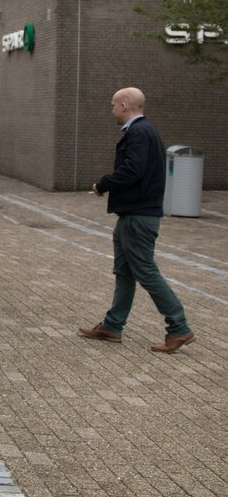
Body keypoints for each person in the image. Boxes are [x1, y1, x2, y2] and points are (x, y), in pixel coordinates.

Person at [78, 87, 195, 354]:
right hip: (133, 214)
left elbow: (133, 170)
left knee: (146, 272)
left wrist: (103, 183)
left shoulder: (140, 132)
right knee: (125, 272)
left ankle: (179, 327)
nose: (111, 110)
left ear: (124, 106)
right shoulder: (143, 132)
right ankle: (112, 325)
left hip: (139, 216)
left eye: (112, 105)